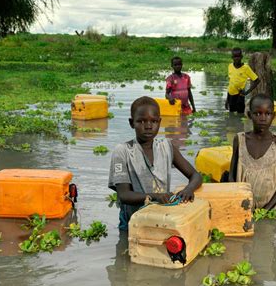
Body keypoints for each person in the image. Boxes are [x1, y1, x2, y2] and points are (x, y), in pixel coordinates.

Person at [108, 96, 202, 230]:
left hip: (162, 219)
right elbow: (124, 195)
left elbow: (195, 175)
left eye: (153, 121)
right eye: (141, 121)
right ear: (131, 123)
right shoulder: (123, 151)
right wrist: (156, 196)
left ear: (160, 122)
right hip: (132, 222)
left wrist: (188, 189)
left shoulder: (167, 147)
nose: (148, 126)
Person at [229, 93, 276, 209]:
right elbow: (232, 176)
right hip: (241, 205)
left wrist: (266, 211)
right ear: (249, 115)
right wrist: (239, 202)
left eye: (267, 114)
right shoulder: (239, 139)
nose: (262, 118)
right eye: (257, 113)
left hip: (269, 207)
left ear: (273, 116)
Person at [225, 48, 260, 114]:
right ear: (232, 57)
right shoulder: (230, 66)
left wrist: (246, 92)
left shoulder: (246, 68)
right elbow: (231, 83)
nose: (237, 58)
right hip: (231, 96)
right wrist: (227, 100)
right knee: (231, 115)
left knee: (240, 115)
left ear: (241, 57)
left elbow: (257, 80)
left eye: (238, 56)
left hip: (240, 95)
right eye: (235, 56)